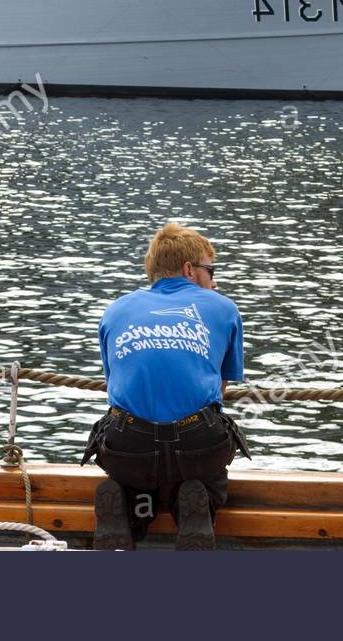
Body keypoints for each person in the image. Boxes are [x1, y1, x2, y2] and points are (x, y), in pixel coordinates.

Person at [82, 222, 249, 551]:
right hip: (198, 443)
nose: (213, 280)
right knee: (208, 462)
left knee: (129, 449)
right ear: (190, 269)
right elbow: (219, 392)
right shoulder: (224, 308)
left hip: (129, 445)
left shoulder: (115, 311)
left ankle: (129, 507)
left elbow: (116, 389)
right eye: (209, 270)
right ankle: (198, 508)